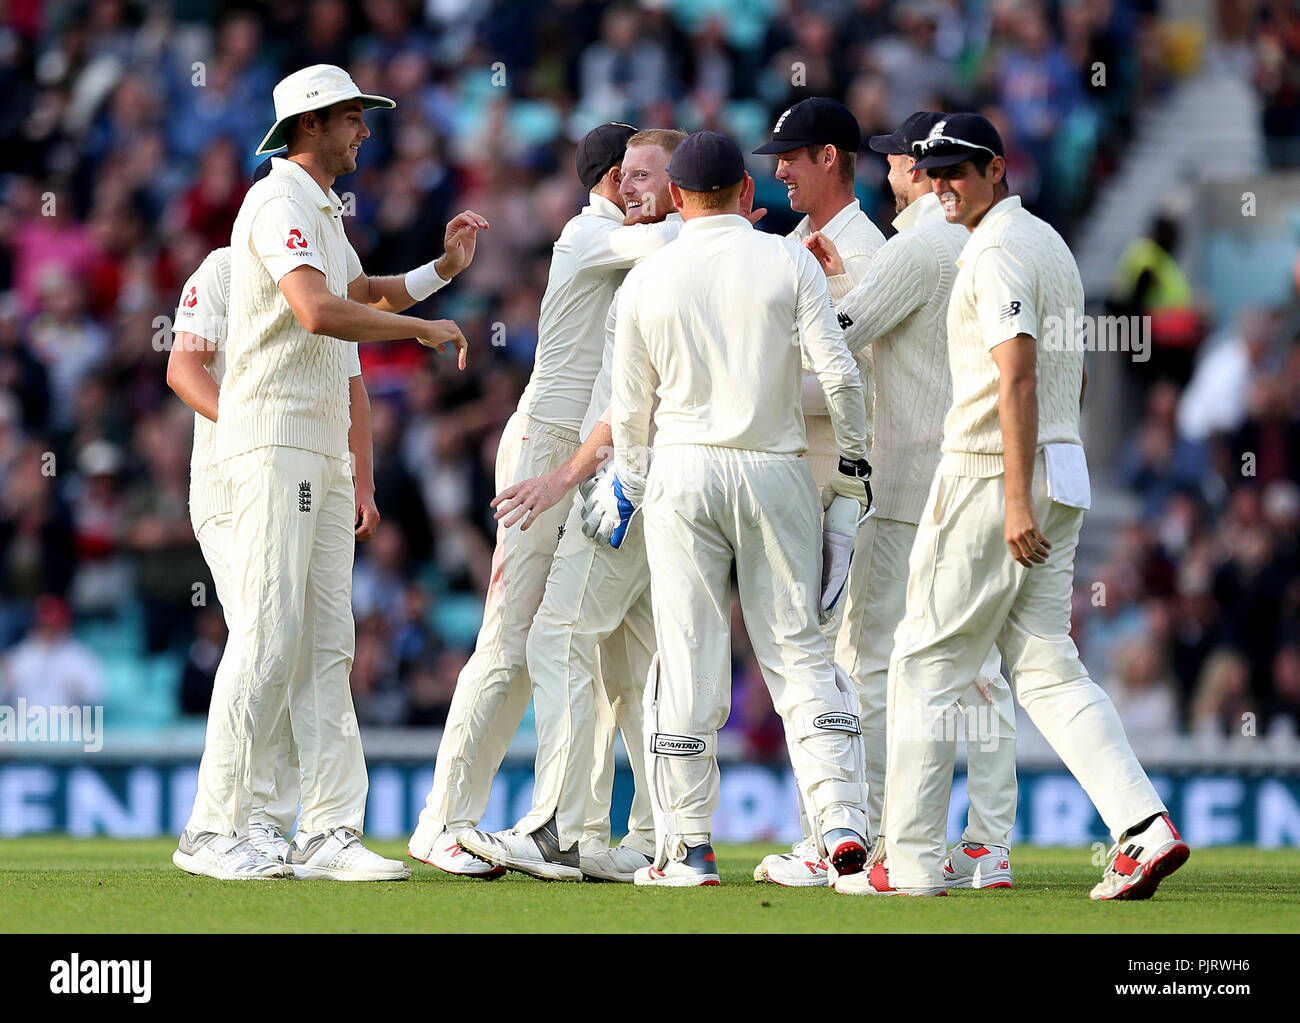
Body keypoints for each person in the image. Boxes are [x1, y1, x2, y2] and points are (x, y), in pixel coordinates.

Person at [838, 114, 1188, 899]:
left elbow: (1018, 376)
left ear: (996, 168)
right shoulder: (1048, 242)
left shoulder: (993, 250)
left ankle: (914, 862)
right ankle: (1142, 825)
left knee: (925, 661)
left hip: (993, 474)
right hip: (1059, 466)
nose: (941, 185)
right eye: (931, 172)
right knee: (1045, 665)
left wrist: (1015, 494)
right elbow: (1076, 375)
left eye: (956, 170)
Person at [178, 64, 479, 883]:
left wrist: (440, 272)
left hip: (311, 447)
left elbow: (359, 288)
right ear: (310, 125)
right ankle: (214, 828)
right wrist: (417, 331)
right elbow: (316, 309)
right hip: (270, 437)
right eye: (353, 117)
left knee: (324, 647)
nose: (365, 131)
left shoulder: (321, 212)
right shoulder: (276, 202)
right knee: (270, 632)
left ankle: (328, 831)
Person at [593, 130, 873, 886]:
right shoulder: (784, 256)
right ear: (747, 198)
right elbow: (841, 377)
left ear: (678, 200)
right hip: (776, 467)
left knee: (685, 652)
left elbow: (630, 412)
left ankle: (688, 846)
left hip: (683, 469)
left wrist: (634, 488)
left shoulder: (649, 276)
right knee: (800, 649)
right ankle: (841, 817)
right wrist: (852, 468)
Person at [408, 122, 682, 877]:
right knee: (514, 639)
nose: (639, 190)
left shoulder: (634, 240)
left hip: (602, 455)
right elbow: (681, 248)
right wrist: (727, 219)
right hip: (544, 447)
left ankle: (593, 829)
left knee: (609, 646)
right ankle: (442, 822)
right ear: (611, 179)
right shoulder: (589, 233)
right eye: (633, 176)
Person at [795, 112, 1021, 891]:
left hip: (902, 490)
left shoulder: (918, 246)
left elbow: (843, 337)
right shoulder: (979, 245)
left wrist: (809, 296)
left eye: (896, 161)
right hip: (976, 476)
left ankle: (888, 835)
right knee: (981, 665)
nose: (888, 172)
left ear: (921, 173)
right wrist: (846, 282)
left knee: (876, 660)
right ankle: (988, 842)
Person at [749, 96, 888, 887]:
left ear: (831, 157)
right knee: (817, 660)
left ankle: (846, 838)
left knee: (842, 660)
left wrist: (747, 389)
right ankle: (836, 833)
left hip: (839, 485)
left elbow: (847, 380)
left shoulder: (867, 251)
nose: (780, 171)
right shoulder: (797, 245)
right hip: (794, 482)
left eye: (793, 157)